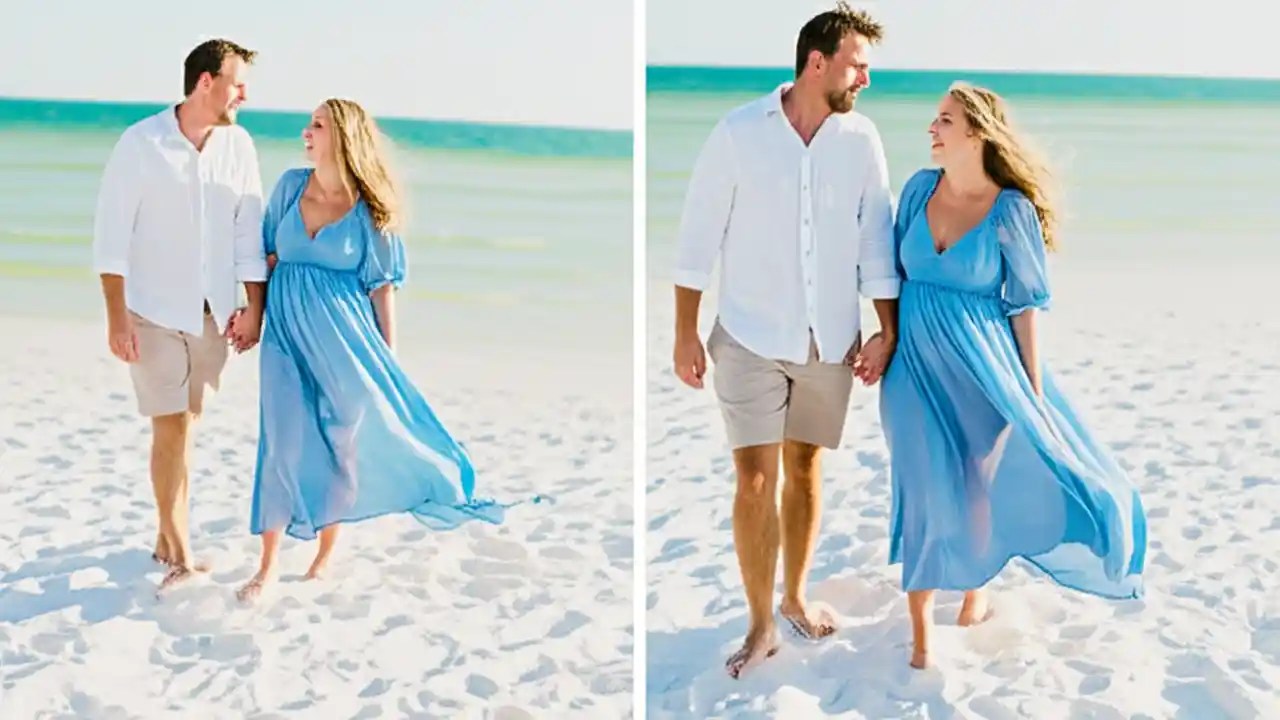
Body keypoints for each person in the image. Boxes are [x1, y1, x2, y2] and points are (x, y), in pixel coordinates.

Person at [874, 81, 1147, 669]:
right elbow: (887, 277)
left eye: (943, 120)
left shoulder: (1010, 211)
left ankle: (975, 594)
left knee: (977, 482)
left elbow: (1024, 306)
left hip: (982, 366)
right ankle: (922, 638)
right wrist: (883, 335)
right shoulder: (919, 190)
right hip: (913, 363)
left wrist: (1031, 391)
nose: (931, 129)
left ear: (975, 131)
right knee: (921, 485)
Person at [671, 3, 899, 679]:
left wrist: (886, 326)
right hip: (745, 336)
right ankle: (761, 623)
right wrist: (684, 330)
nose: (865, 80)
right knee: (754, 479)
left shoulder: (862, 141)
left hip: (829, 339)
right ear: (817, 61)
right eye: (858, 65)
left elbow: (875, 241)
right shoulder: (739, 131)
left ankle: (795, 594)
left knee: (803, 469)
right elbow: (697, 234)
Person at [236, 98, 508, 603]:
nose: (305, 132)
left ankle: (324, 554)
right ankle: (268, 564)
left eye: (316, 125)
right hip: (285, 339)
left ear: (342, 136)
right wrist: (250, 312)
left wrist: (388, 361)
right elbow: (264, 257)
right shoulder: (290, 187)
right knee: (281, 442)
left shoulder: (371, 209)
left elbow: (383, 289)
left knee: (343, 447)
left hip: (349, 346)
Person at [91, 39, 267, 593]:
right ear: (206, 82)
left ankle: (166, 539)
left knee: (187, 427)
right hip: (152, 312)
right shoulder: (140, 143)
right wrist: (117, 318)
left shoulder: (239, 147)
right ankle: (179, 549)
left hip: (213, 315)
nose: (245, 92)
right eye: (237, 81)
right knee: (169, 426)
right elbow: (111, 238)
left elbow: (247, 232)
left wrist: (253, 307)